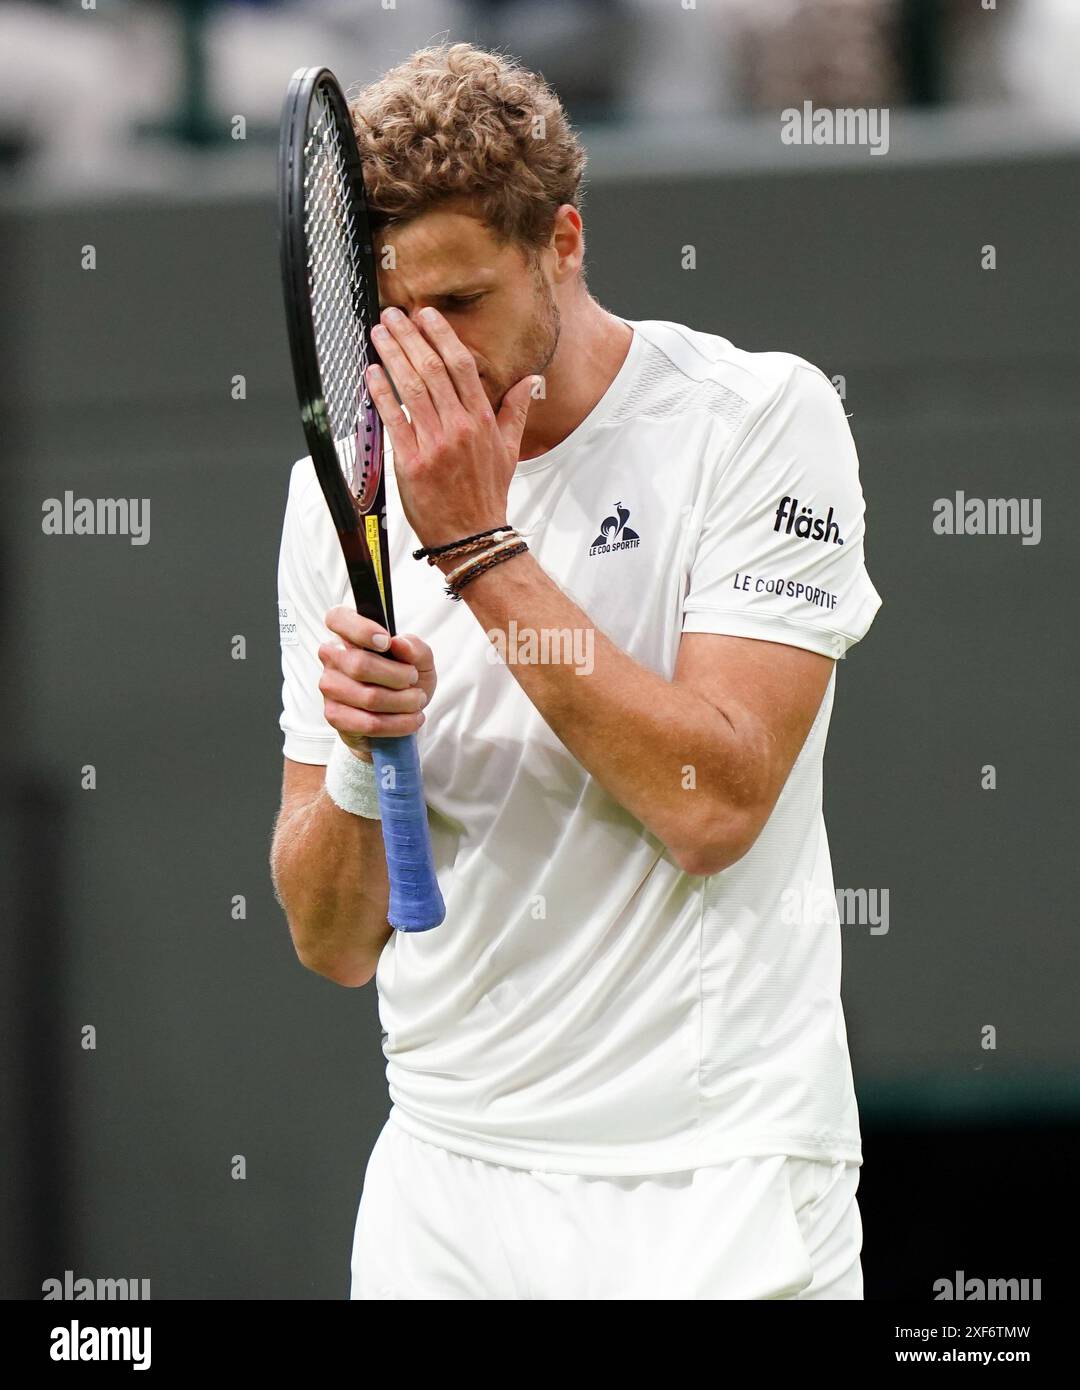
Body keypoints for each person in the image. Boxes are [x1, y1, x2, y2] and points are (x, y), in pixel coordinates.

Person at [270, 40, 882, 1300]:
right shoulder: (330, 499)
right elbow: (331, 943)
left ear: (564, 241)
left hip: (718, 1186)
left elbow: (712, 803)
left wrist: (479, 549)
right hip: (445, 1188)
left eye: (463, 306)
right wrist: (354, 753)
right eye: (396, 324)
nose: (426, 362)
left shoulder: (761, 422)